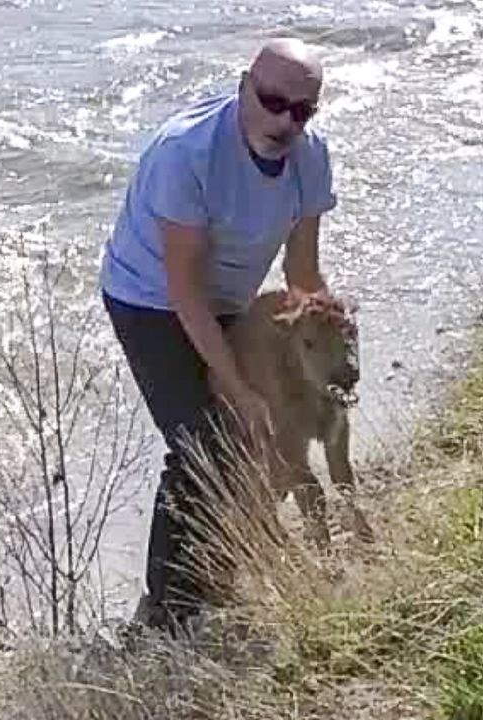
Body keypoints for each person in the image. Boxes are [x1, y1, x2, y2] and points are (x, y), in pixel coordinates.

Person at [98, 37, 338, 634]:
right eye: (272, 100)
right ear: (243, 87)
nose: (284, 120)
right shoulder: (188, 154)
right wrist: (237, 388)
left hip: (230, 298)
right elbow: (185, 292)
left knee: (273, 427)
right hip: (150, 298)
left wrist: (329, 332)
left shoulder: (310, 159)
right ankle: (166, 615)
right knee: (206, 440)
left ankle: (224, 567)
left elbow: (302, 274)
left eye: (301, 110)